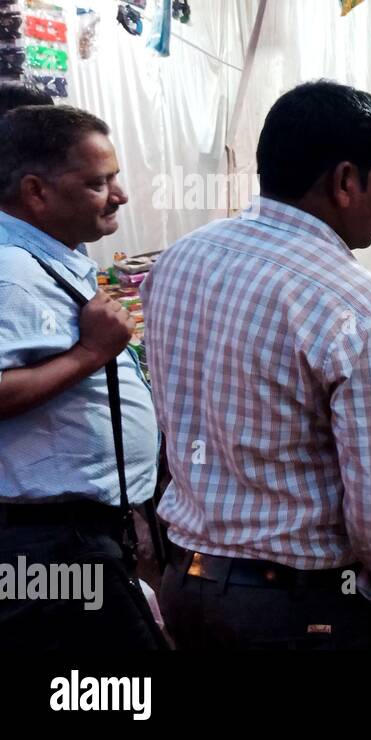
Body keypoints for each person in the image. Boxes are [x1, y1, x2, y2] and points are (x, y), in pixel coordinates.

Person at [144, 80, 371, 650]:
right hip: (300, 610)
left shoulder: (180, 260)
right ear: (346, 181)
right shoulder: (354, 303)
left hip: (189, 583)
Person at [0, 104, 165, 649]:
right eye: (98, 183)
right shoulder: (12, 271)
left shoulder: (48, 252)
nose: (118, 195)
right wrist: (91, 353)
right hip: (49, 539)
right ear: (36, 191)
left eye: (114, 177)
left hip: (76, 531)